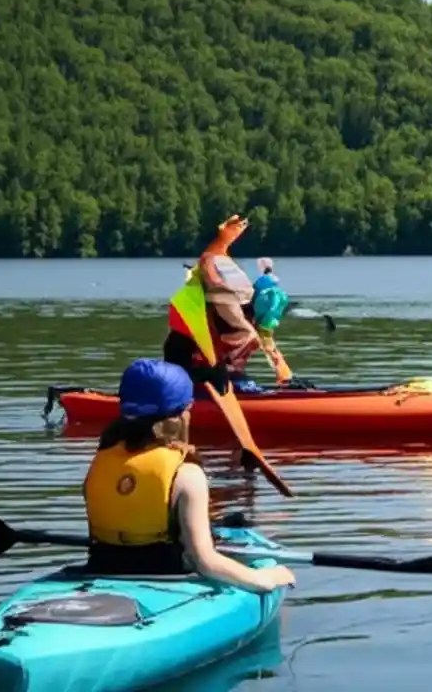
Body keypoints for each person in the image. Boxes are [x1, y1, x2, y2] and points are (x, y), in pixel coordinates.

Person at [81, 358, 296, 592]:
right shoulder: (186, 474)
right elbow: (205, 563)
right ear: (180, 416)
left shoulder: (100, 462)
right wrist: (267, 578)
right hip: (166, 580)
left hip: (100, 569)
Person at [163, 216, 277, 393]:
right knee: (243, 340)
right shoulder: (205, 313)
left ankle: (232, 381)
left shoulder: (233, 312)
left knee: (245, 345)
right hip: (188, 372)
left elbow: (214, 256)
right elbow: (209, 263)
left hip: (212, 365)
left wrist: (223, 241)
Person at [252, 257, 293, 384]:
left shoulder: (265, 292)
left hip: (264, 323)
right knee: (271, 349)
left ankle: (284, 377)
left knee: (270, 350)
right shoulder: (277, 293)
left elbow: (261, 306)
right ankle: (285, 376)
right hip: (270, 323)